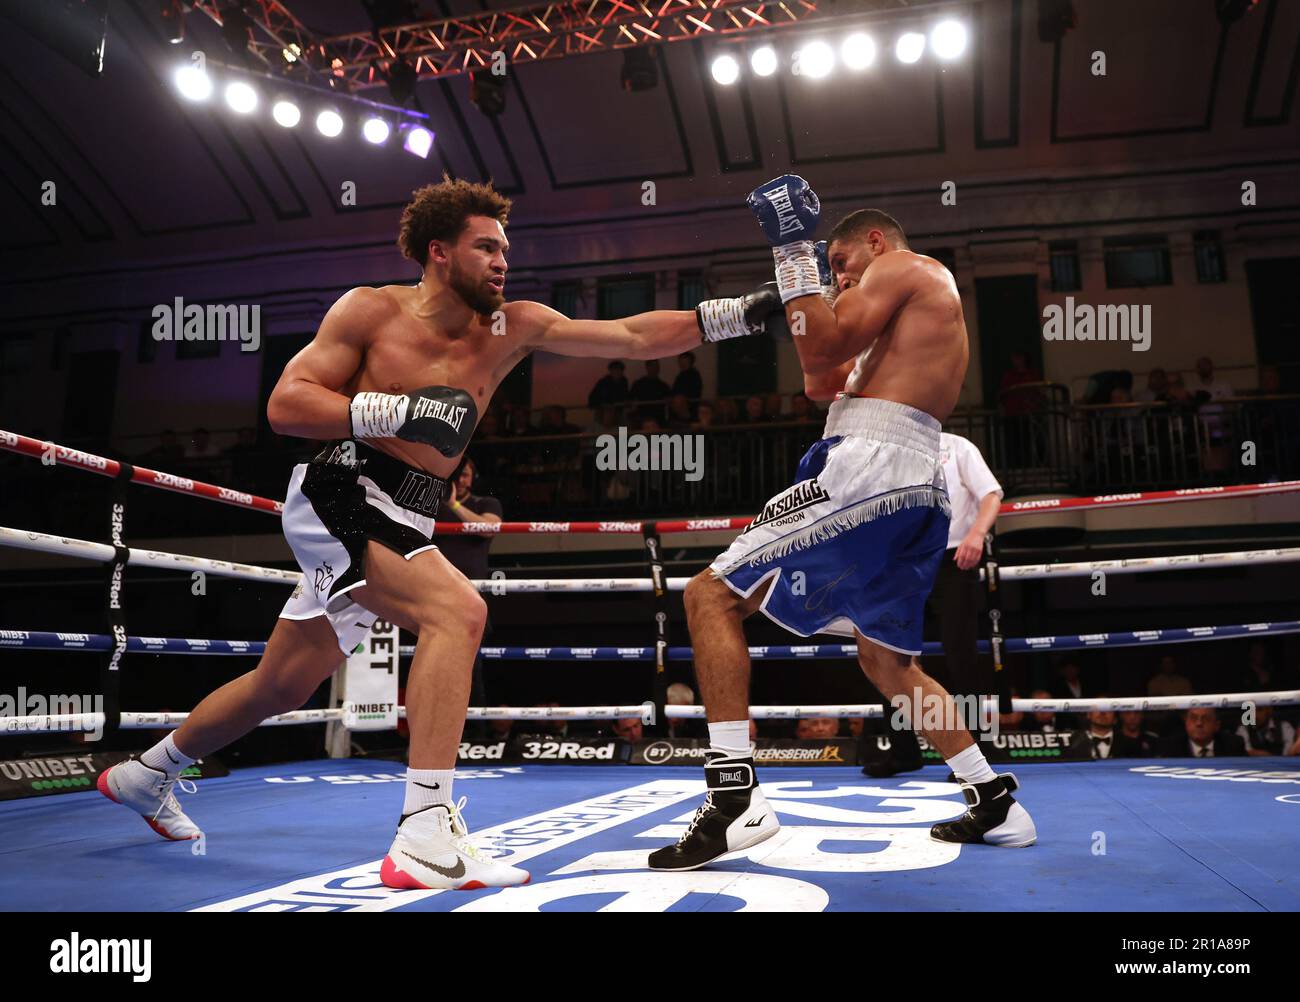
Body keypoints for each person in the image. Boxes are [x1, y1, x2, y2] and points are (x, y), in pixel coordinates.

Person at [98, 176, 786, 890]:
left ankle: (149, 772)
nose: (502, 261)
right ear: (438, 253)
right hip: (344, 487)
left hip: (408, 511)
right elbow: (287, 404)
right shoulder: (371, 310)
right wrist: (393, 413)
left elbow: (632, 335)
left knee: (281, 685)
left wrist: (742, 312)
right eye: (485, 247)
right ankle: (423, 830)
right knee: (457, 609)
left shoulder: (513, 325)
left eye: (505, 249)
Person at [650, 178, 1035, 872]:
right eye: (830, 272)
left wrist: (792, 250)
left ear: (876, 243)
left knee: (708, 594)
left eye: (840, 264)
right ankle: (994, 797)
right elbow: (817, 376)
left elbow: (822, 347)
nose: (839, 279)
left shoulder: (905, 269)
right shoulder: (899, 319)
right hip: (905, 479)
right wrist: (807, 292)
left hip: (874, 464)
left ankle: (734, 797)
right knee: (885, 660)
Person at [867, 430, 1002, 777]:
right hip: (901, 563)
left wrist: (976, 534)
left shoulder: (957, 446)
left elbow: (990, 494)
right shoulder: (889, 448)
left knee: (961, 654)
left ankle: (976, 754)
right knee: (890, 655)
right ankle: (903, 751)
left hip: (953, 559)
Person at [436, 456, 502, 740]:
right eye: (459, 475)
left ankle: (477, 737)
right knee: (431, 668)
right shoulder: (432, 505)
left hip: (471, 600)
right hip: (434, 598)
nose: (462, 480)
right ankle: (431, 736)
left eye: (467, 475)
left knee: (470, 670)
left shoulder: (484, 504)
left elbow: (489, 527)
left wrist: (454, 505)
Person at [1157, 708, 1246, 758]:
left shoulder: (1233, 744)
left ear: (1217, 725)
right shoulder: (1171, 747)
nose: (1199, 723)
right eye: (1193, 718)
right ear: (1186, 723)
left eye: (1206, 718)